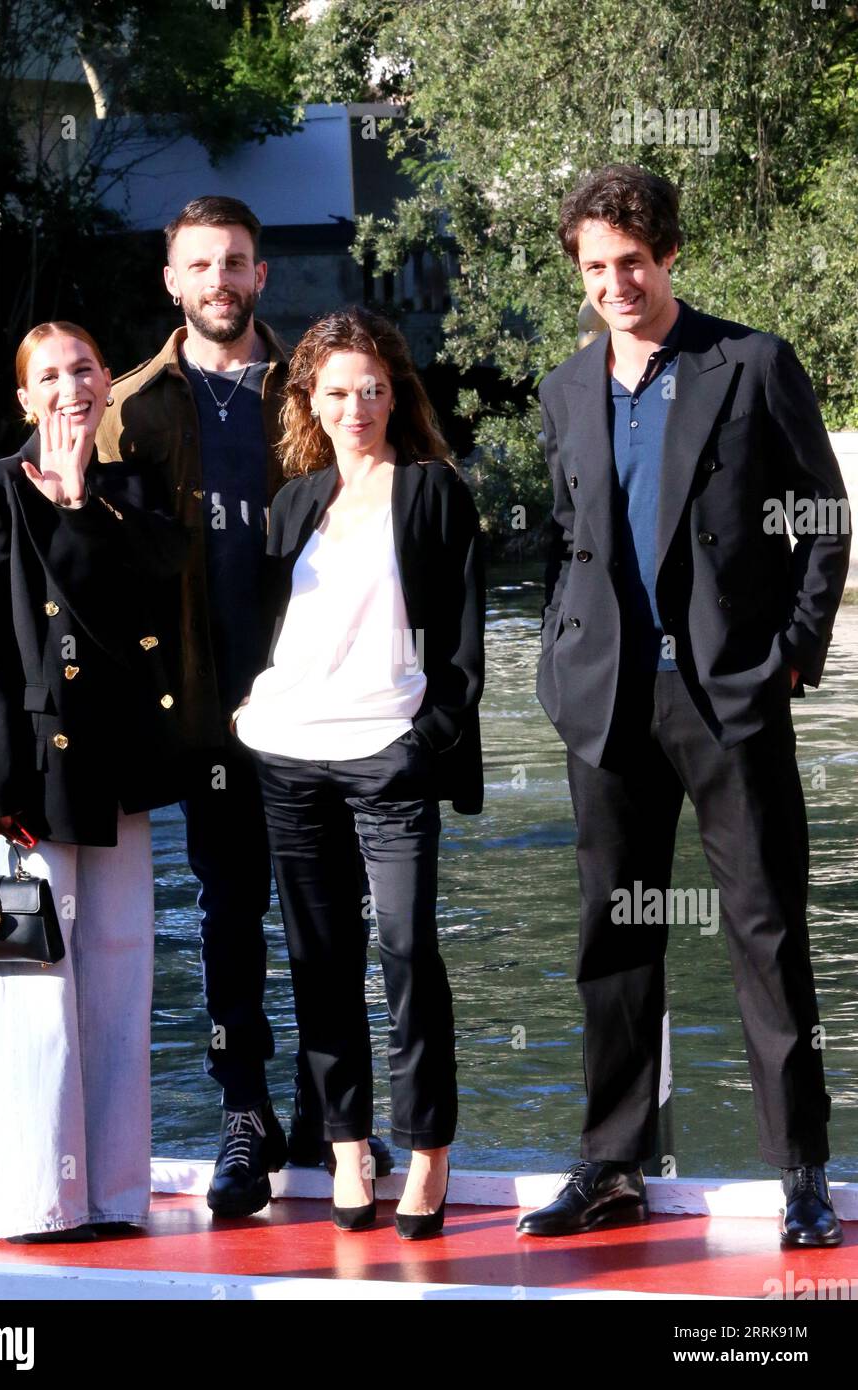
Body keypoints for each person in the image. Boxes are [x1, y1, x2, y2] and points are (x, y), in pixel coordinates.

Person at [520, 165, 850, 1246]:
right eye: (596, 267)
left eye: (633, 262)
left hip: (727, 693)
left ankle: (801, 1169)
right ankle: (610, 1162)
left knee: (764, 930)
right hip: (606, 704)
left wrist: (792, 653)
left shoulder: (749, 362)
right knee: (612, 937)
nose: (616, 282)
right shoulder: (566, 390)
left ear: (668, 256)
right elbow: (573, 537)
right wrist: (558, 662)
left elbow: (821, 515)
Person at [95, 197, 391, 1219]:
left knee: (331, 914)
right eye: (199, 266)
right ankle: (243, 1112)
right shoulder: (125, 408)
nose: (219, 281)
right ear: (172, 282)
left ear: (262, 275)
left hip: (325, 702)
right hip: (208, 714)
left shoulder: (321, 390)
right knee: (228, 915)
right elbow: (85, 571)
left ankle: (330, 1107)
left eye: (236, 263)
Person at [234, 306, 485, 1237]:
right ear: (311, 399)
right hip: (289, 753)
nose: (357, 405)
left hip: (389, 754)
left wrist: (430, 738)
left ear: (395, 392)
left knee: (409, 949)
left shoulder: (432, 492)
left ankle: (426, 1154)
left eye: (372, 388)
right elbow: (262, 622)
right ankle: (346, 1148)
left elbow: (461, 643)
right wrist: (246, 706)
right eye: (337, 391)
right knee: (319, 959)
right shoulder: (295, 501)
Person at [0, 321, 191, 1242]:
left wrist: (87, 500)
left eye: (83, 369)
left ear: (105, 383)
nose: (70, 388)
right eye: (48, 376)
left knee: (121, 984)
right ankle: (36, 1206)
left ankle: (113, 1197)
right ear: (23, 398)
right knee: (23, 992)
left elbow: (161, 582)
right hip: (23, 789)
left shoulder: (129, 495)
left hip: (116, 774)